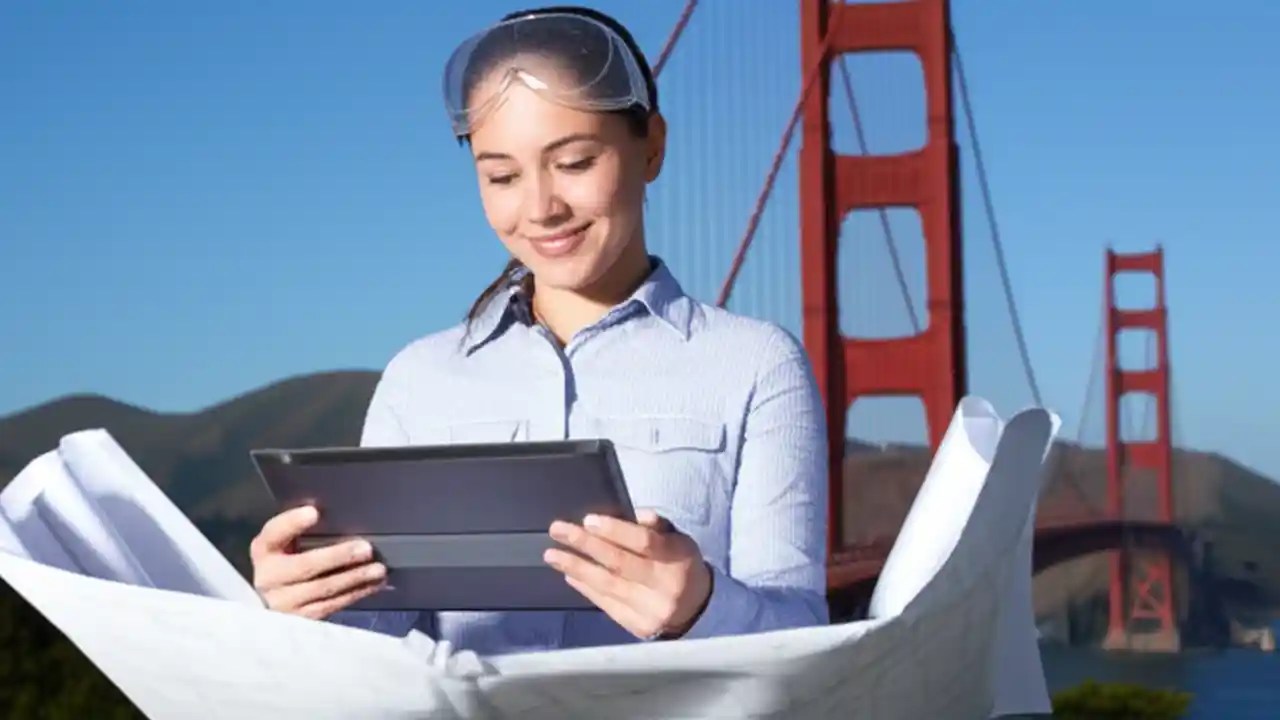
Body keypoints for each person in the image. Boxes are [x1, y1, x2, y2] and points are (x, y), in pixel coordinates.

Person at [248, 5, 830, 657]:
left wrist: (701, 605)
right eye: (501, 176)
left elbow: (805, 638)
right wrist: (305, 605)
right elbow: (379, 636)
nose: (541, 208)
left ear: (652, 146)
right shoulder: (418, 380)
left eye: (575, 162)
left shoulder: (756, 365)